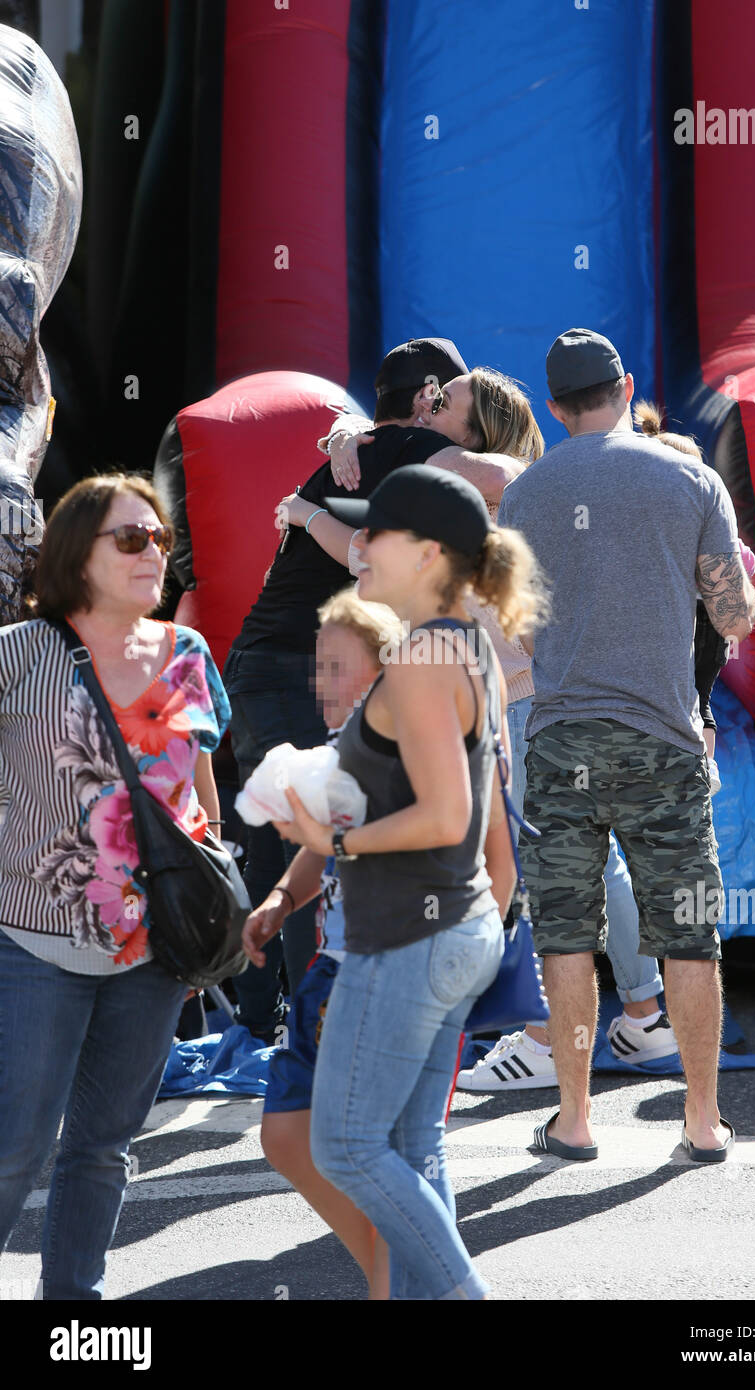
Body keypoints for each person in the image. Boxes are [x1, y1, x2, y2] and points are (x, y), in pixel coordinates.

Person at [314, 371, 683, 1087]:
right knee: (577, 860)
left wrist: (312, 503)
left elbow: (365, 553)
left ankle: (560, 1032)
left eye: (443, 403)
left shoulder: (503, 483)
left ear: (480, 424)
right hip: (517, 695)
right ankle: (636, 1015)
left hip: (522, 698)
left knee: (551, 862)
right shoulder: (491, 492)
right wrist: (344, 439)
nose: (427, 409)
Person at [273, 464, 545, 1299]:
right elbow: (489, 822)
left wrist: (335, 840)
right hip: (450, 933)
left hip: (410, 941)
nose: (358, 547)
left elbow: (445, 816)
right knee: (413, 1147)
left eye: (373, 534)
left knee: (347, 1148)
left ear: (428, 552)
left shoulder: (427, 653)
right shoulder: (467, 644)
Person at [498, 328, 755, 1163]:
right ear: (627, 386)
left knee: (566, 935)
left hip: (559, 739)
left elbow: (512, 625)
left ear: (553, 407)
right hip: (664, 742)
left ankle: (574, 1121)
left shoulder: (527, 495)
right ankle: (702, 1121)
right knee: (688, 931)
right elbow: (735, 614)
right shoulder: (689, 475)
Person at [223, 337, 522, 1042]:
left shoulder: (358, 454)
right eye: (446, 397)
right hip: (300, 661)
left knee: (278, 835)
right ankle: (313, 1030)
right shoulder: (412, 449)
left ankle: (260, 1023)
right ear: (423, 401)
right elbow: (510, 474)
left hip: (262, 659)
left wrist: (332, 461)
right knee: (318, 826)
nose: (447, 411)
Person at [0, 474, 230, 1298]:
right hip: (33, 940)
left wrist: (215, 874)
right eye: (129, 539)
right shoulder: (18, 652)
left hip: (156, 949)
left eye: (159, 538)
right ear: (77, 555)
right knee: (15, 1147)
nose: (152, 553)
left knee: (103, 1146)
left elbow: (199, 789)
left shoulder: (188, 654)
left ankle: (72, 1307)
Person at [242, 589, 404, 1299]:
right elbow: (324, 851)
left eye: (337, 666)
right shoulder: (341, 749)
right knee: (284, 1137)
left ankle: (394, 1283)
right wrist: (281, 898)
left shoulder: (405, 750)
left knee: (376, 1156)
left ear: (383, 671)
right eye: (318, 665)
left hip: (380, 977)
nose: (320, 683)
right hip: (328, 970)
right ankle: (388, 1273)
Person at [633, 401, 755, 796]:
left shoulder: (653, 526)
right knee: (701, 698)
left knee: (680, 695)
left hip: (681, 623)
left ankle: (685, 762)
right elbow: (745, 562)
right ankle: (705, 764)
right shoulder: (709, 517)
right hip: (713, 630)